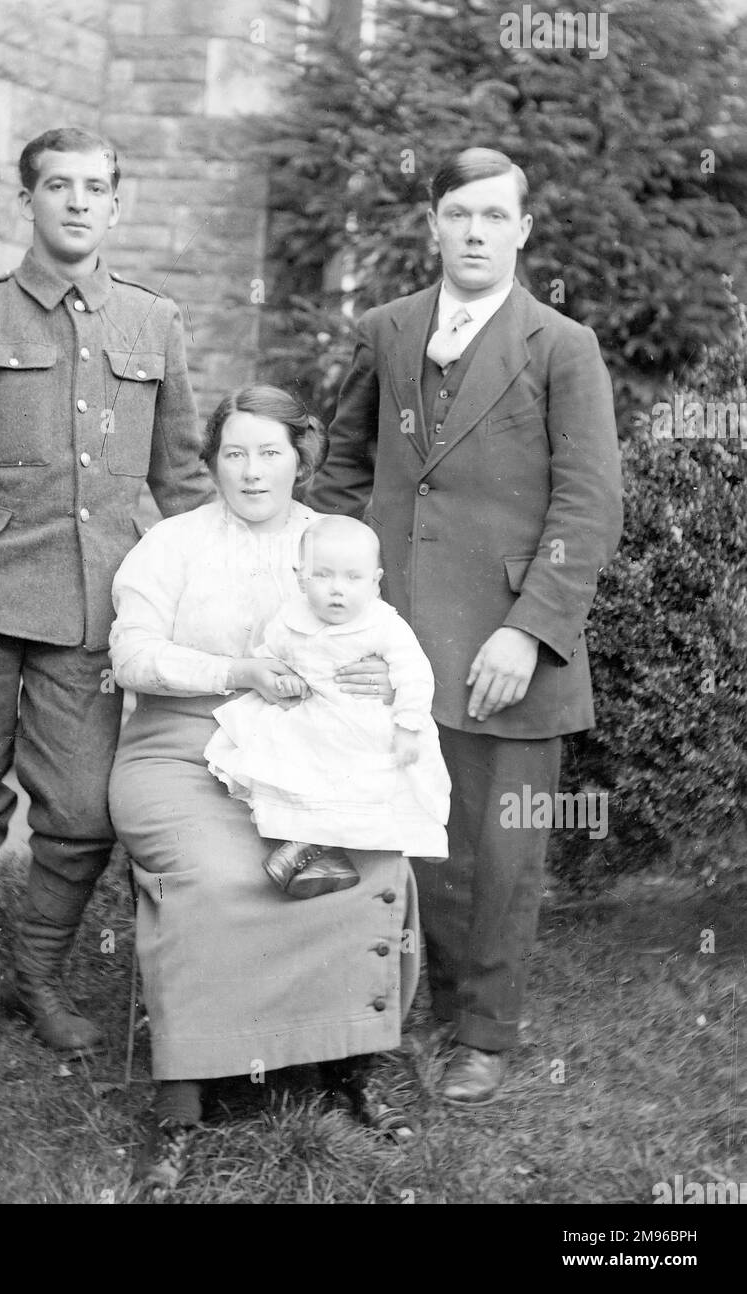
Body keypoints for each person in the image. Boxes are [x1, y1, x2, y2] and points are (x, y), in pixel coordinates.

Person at [307, 147, 623, 1105]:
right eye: (459, 215)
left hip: (505, 648)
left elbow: (588, 502)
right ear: (432, 224)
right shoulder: (387, 330)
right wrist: (338, 596)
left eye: (495, 216)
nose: (476, 233)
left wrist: (529, 630)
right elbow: (339, 474)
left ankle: (480, 1032)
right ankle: (372, 1012)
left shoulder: (562, 347)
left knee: (494, 850)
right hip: (390, 635)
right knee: (389, 831)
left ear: (523, 231)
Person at [0, 126, 213, 1053]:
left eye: (95, 187)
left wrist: (219, 590)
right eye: (57, 185)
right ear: (24, 201)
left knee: (80, 809)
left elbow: (182, 480)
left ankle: (36, 969)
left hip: (96, 608)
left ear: (119, 204)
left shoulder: (155, 322)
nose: (77, 201)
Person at [108, 385, 421, 1193]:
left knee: (373, 865)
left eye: (270, 452)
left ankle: (346, 1061)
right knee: (220, 877)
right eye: (234, 453)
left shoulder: (331, 540)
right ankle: (181, 1105)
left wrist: (371, 674)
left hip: (304, 753)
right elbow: (134, 656)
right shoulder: (171, 544)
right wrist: (235, 671)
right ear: (211, 461)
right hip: (178, 751)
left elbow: (380, 636)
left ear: (300, 458)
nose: (251, 472)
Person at [204, 515, 450, 898]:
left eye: (353, 578)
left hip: (365, 722)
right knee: (289, 761)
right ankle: (312, 852)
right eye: (323, 576)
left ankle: (310, 851)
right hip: (312, 715)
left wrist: (407, 726)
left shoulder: (383, 624)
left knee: (358, 777)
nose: (338, 590)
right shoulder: (290, 618)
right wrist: (285, 679)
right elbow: (271, 658)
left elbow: (415, 675)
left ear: (375, 580)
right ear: (300, 576)